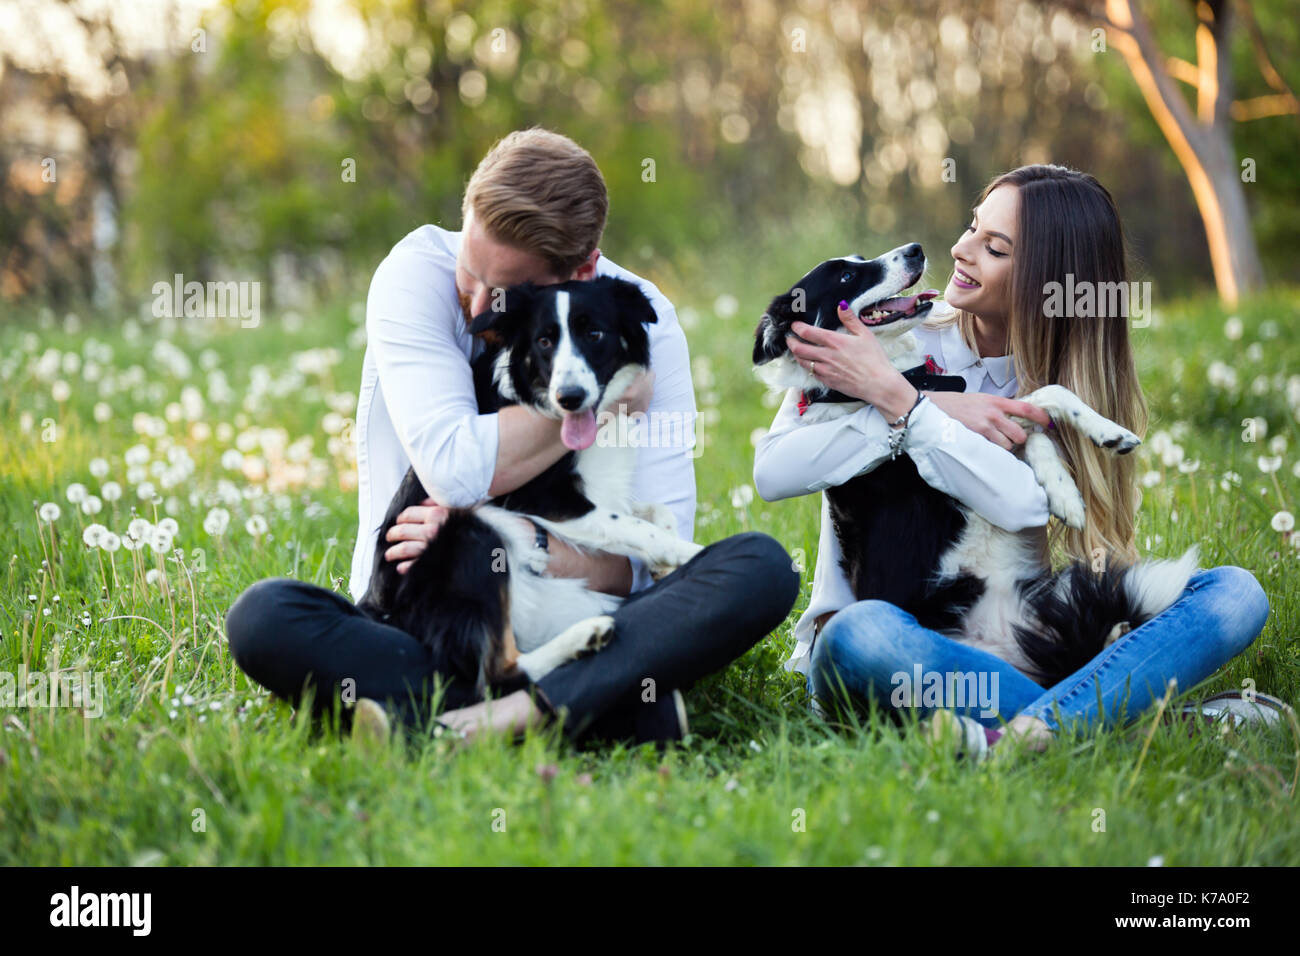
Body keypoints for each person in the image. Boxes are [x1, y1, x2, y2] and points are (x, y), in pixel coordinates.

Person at [226, 128, 799, 746]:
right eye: (468, 273)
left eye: (499, 294)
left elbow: (652, 561)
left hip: (581, 616)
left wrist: (529, 542)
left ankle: (470, 721)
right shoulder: (416, 273)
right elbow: (452, 471)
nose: (476, 310)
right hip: (431, 616)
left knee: (760, 567)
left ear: (578, 272)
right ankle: (599, 707)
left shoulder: (639, 321)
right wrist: (607, 398)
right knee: (265, 617)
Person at [753, 164, 1276, 760]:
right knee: (859, 635)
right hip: (891, 648)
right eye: (973, 228)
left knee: (1236, 593)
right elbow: (774, 470)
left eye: (994, 247)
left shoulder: (1058, 388)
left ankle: (1025, 734)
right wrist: (901, 403)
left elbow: (1022, 503)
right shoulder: (891, 333)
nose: (960, 249)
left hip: (1012, 635)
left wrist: (911, 405)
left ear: (1046, 282)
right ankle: (1122, 724)